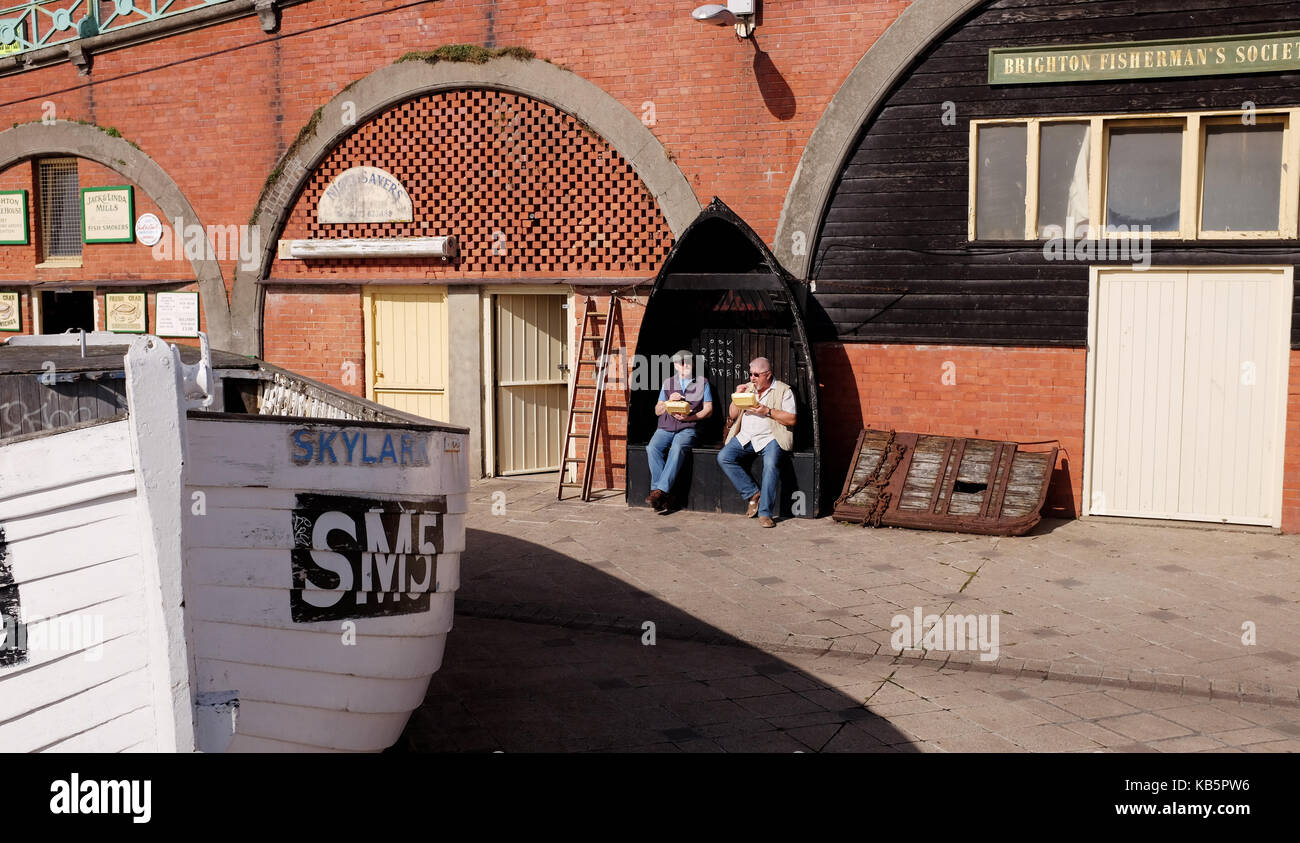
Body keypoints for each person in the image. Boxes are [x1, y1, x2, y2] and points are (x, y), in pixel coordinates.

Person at [717, 357, 796, 528]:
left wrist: (767, 411)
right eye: (750, 374)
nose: (752, 378)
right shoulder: (749, 388)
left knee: (771, 465)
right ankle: (753, 494)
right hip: (746, 436)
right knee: (724, 457)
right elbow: (733, 415)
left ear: (768, 374)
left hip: (770, 437)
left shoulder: (783, 390)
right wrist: (737, 396)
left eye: (756, 375)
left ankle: (765, 513)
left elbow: (791, 419)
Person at [645, 349, 713, 511]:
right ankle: (662, 493)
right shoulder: (668, 383)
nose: (684, 366)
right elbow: (657, 410)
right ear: (675, 365)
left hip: (688, 427)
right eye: (680, 363)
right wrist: (669, 400)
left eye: (687, 362)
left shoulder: (702, 382)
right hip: (666, 426)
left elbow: (708, 410)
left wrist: (690, 418)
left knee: (677, 448)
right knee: (652, 448)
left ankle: (659, 491)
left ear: (693, 364)